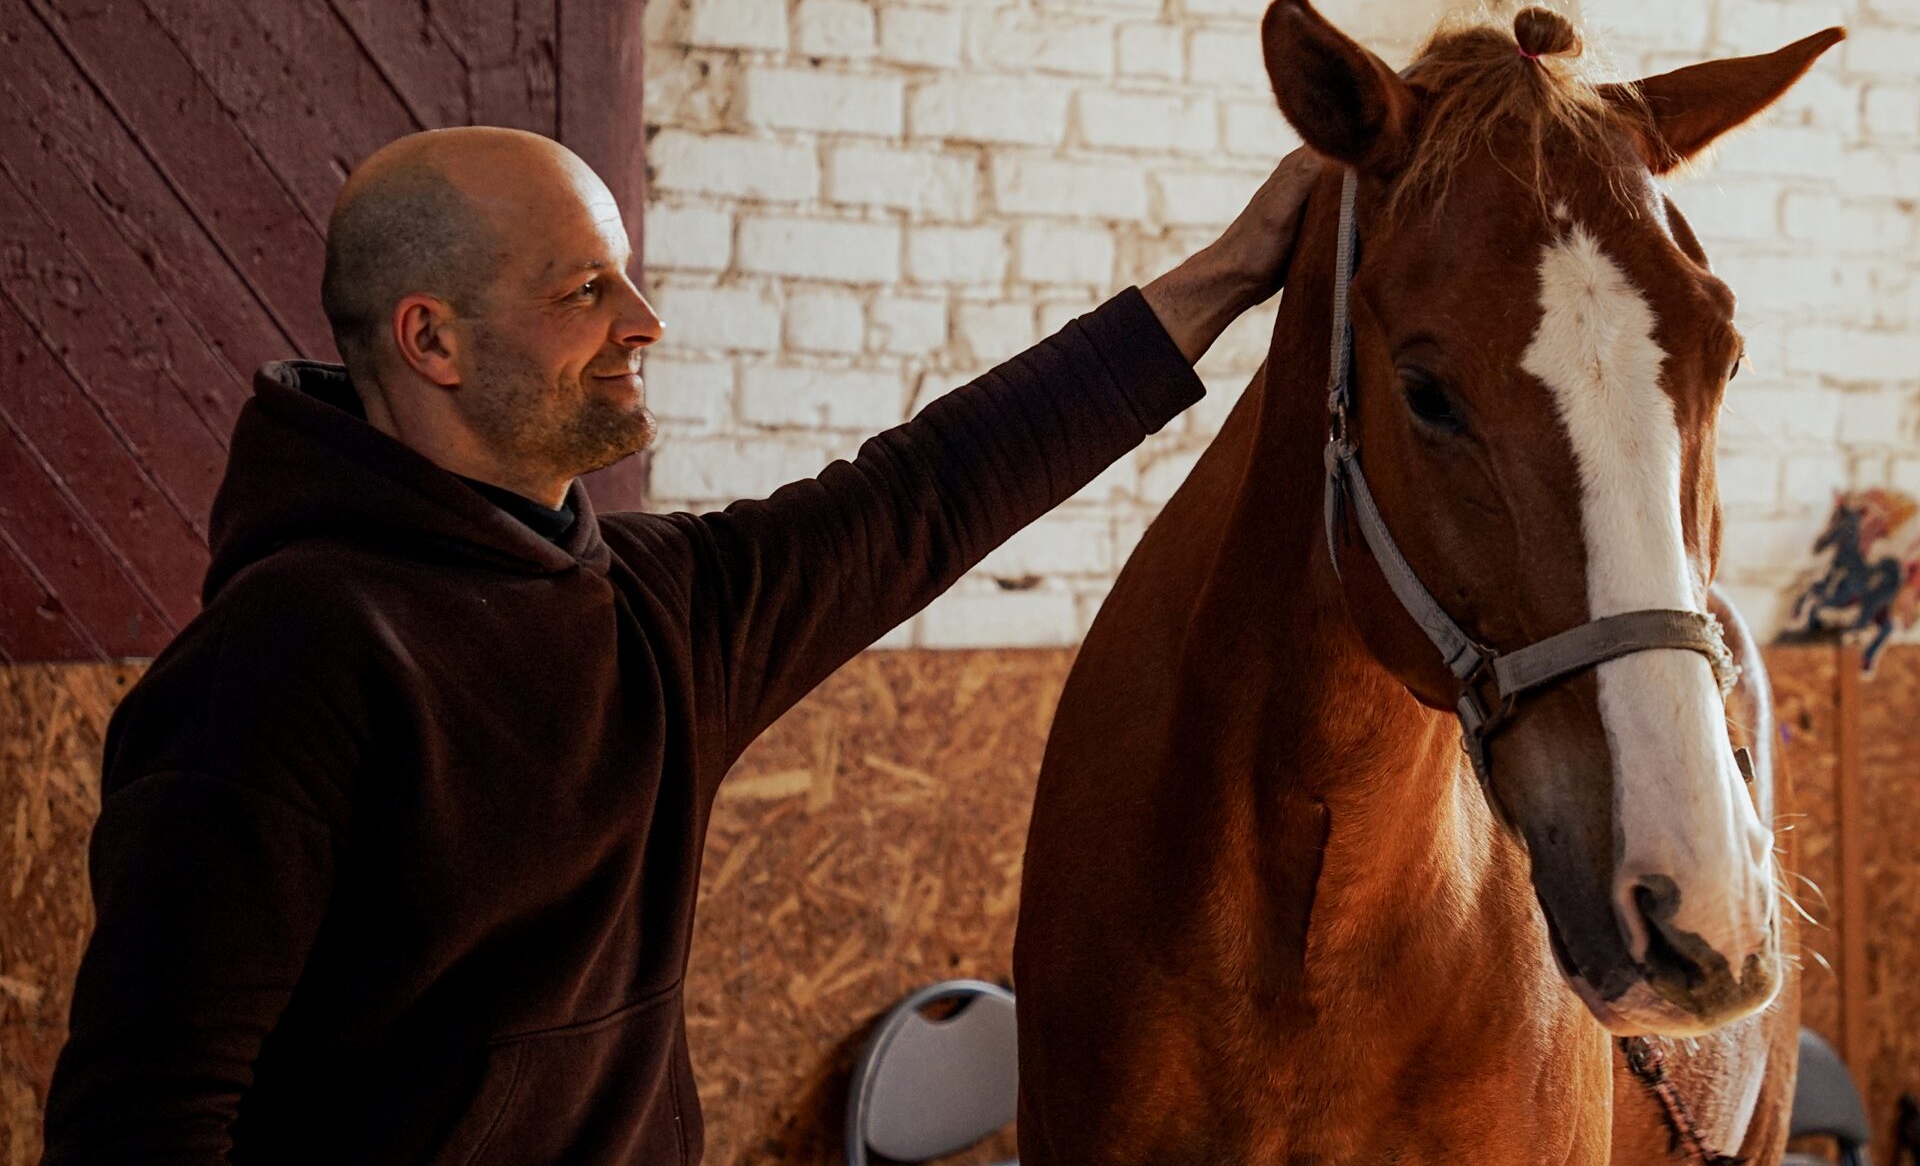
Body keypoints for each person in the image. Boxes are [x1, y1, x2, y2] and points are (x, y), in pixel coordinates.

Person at [41, 125, 1316, 1164]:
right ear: (431, 340)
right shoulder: (281, 661)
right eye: (582, 290)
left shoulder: (660, 606)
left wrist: (1233, 269)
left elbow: (928, 490)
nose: (642, 321)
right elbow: (144, 1121)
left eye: (628, 276)